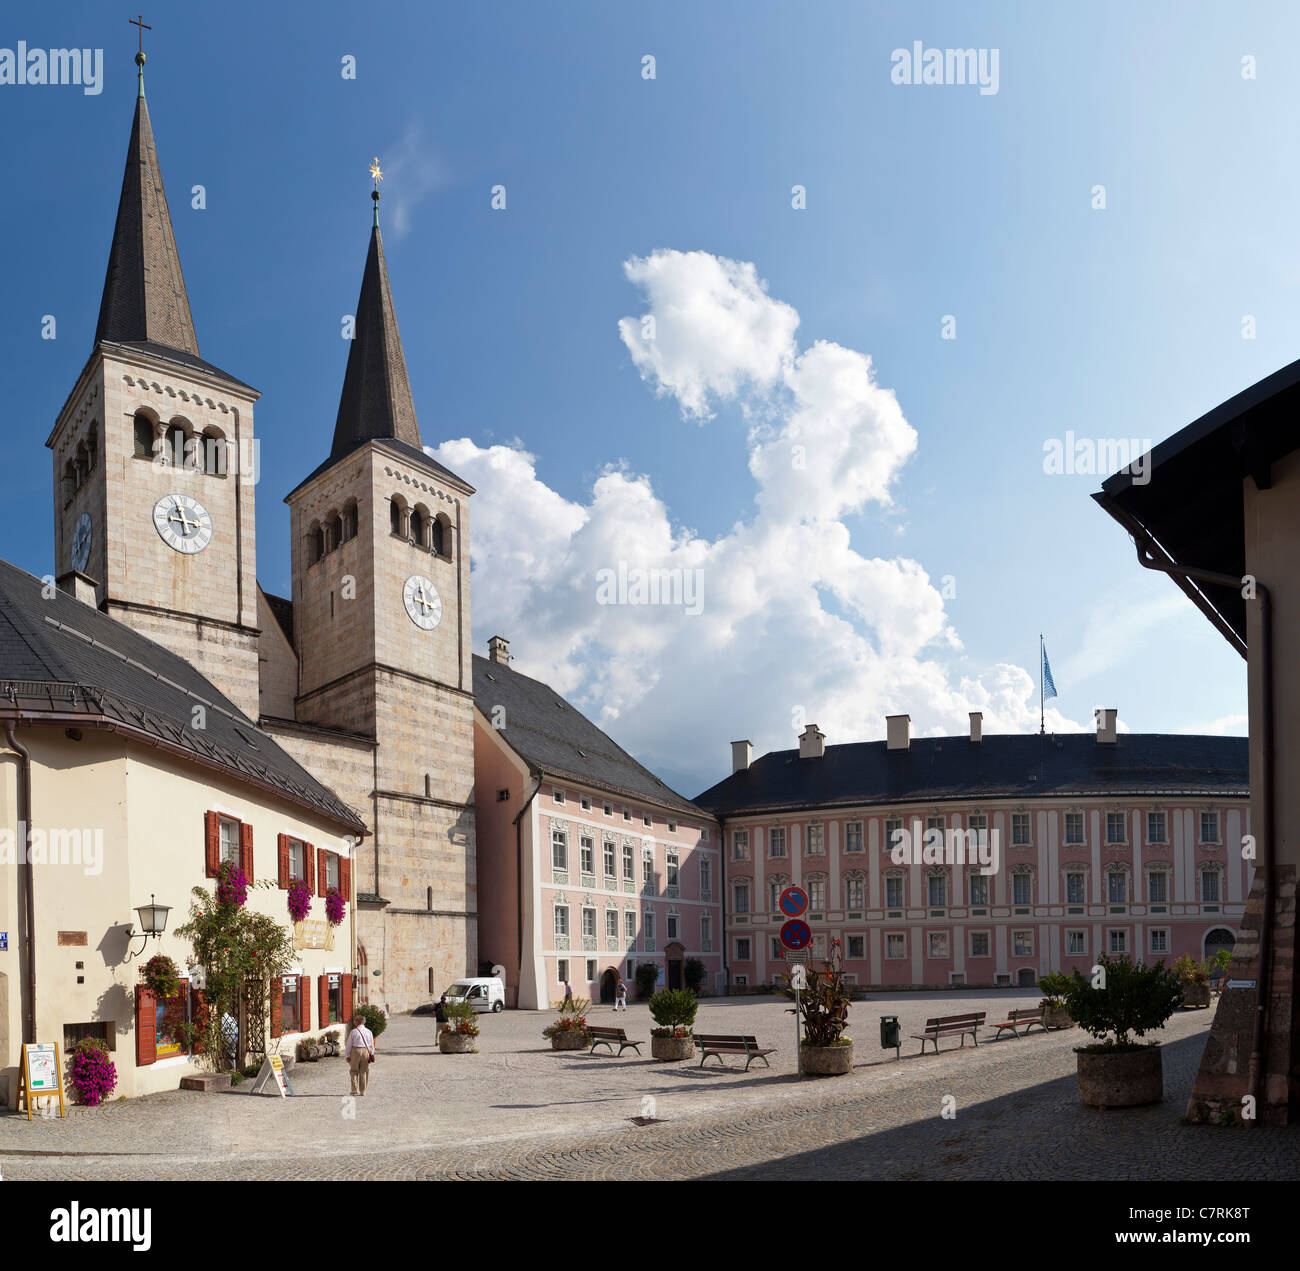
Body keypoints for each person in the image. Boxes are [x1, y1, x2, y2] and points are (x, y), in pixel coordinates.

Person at [345, 1010, 375, 1096]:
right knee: (364, 1071)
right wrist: (371, 1054)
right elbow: (371, 1044)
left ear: (357, 1022)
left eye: (355, 1021)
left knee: (354, 1070)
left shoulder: (354, 1031)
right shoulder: (369, 1031)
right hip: (366, 1050)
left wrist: (347, 1055)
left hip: (356, 1051)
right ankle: (363, 1091)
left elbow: (349, 1044)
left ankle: (354, 1090)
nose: (354, 1022)